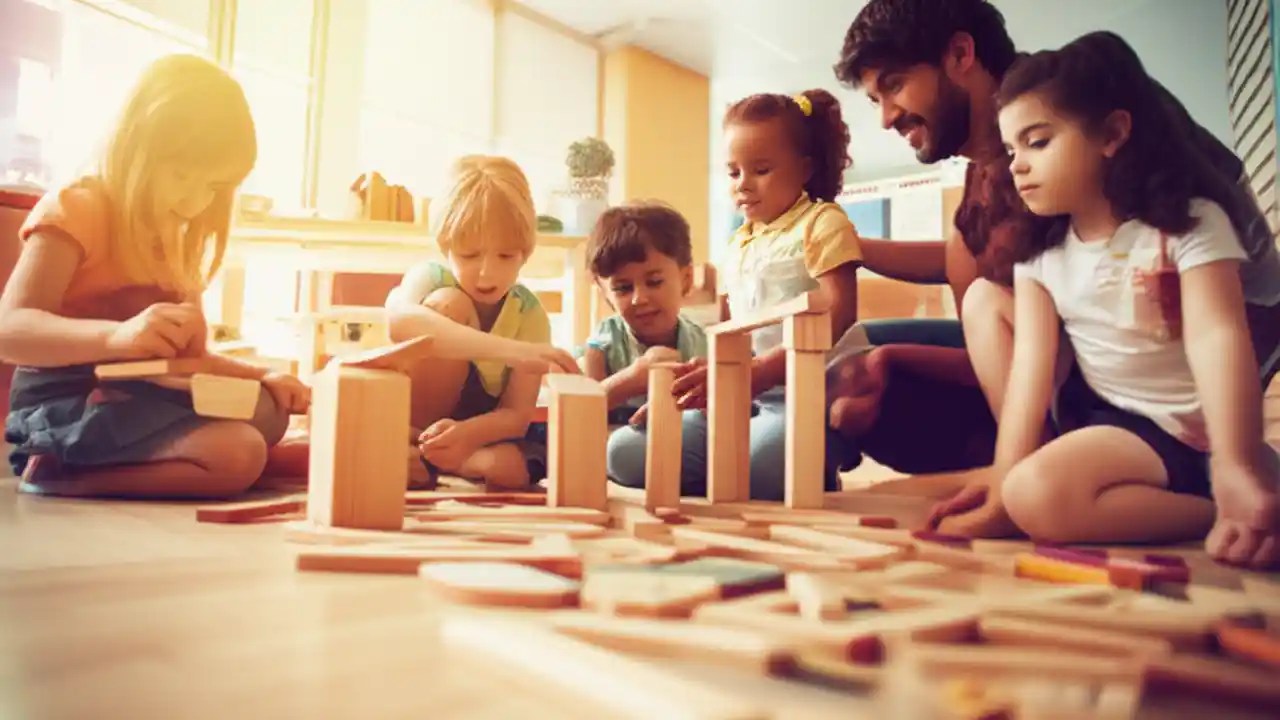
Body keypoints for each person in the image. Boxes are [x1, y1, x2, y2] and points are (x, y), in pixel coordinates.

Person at [833, 1, 1280, 567]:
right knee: (877, 352)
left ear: (961, 55)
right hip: (1085, 361)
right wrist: (859, 257)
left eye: (893, 87)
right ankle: (1025, 470)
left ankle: (1194, 478)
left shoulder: (1090, 110)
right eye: (875, 99)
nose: (886, 117)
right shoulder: (997, 188)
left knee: (910, 350)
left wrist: (1235, 453)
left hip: (1186, 336)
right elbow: (966, 274)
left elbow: (1224, 279)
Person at [0, 54, 308, 499]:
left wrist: (261, 374)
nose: (196, 200)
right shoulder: (78, 209)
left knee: (269, 411)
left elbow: (191, 361)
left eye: (214, 187)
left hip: (142, 399)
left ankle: (210, 456)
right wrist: (115, 338)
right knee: (239, 454)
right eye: (183, 175)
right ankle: (54, 473)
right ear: (135, 150)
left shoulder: (176, 240)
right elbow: (9, 330)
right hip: (68, 405)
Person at [609, 89, 862, 500]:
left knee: (763, 467)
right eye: (732, 172)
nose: (743, 184)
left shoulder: (823, 223)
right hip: (743, 391)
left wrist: (760, 372)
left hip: (809, 394)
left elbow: (839, 312)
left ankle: (782, 466)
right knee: (626, 453)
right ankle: (722, 466)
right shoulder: (737, 243)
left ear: (804, 169)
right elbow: (729, 332)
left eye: (760, 169)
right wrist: (696, 386)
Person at [385, 155, 579, 490]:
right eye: (469, 255)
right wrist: (511, 351)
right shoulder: (429, 277)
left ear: (525, 252)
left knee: (508, 469)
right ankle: (416, 450)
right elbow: (400, 322)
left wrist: (465, 437)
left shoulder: (528, 315)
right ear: (446, 248)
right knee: (449, 304)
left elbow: (516, 417)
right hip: (414, 421)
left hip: (475, 435)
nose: (487, 273)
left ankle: (438, 461)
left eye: (505, 256)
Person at [580, 201, 707, 424]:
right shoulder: (602, 345)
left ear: (685, 280)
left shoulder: (704, 344)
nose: (640, 298)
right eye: (623, 288)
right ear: (604, 293)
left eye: (655, 282)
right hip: (616, 447)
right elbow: (582, 410)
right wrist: (634, 377)